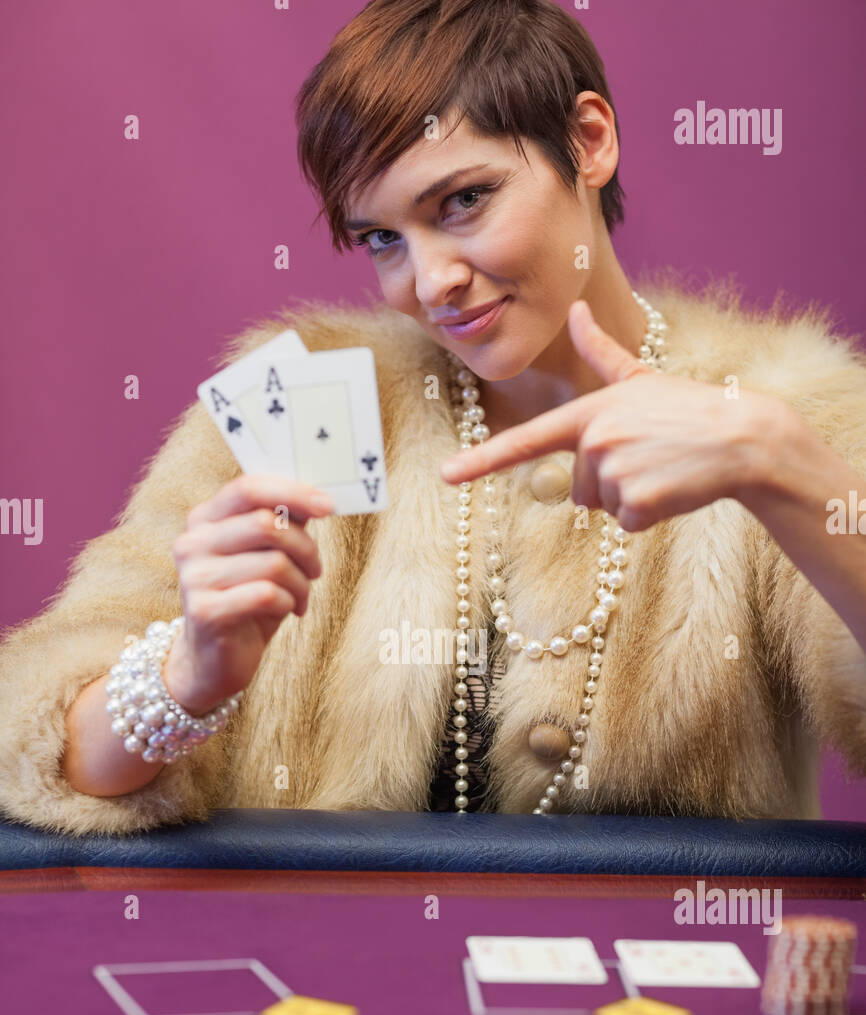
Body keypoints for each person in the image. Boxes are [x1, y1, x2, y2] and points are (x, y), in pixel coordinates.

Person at [0, 0, 864, 837]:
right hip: (331, 971)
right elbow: (44, 751)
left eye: (463, 201)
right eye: (383, 239)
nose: (431, 280)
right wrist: (185, 677)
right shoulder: (298, 402)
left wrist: (787, 467)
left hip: (653, 979)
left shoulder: (779, 405)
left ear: (589, 141)